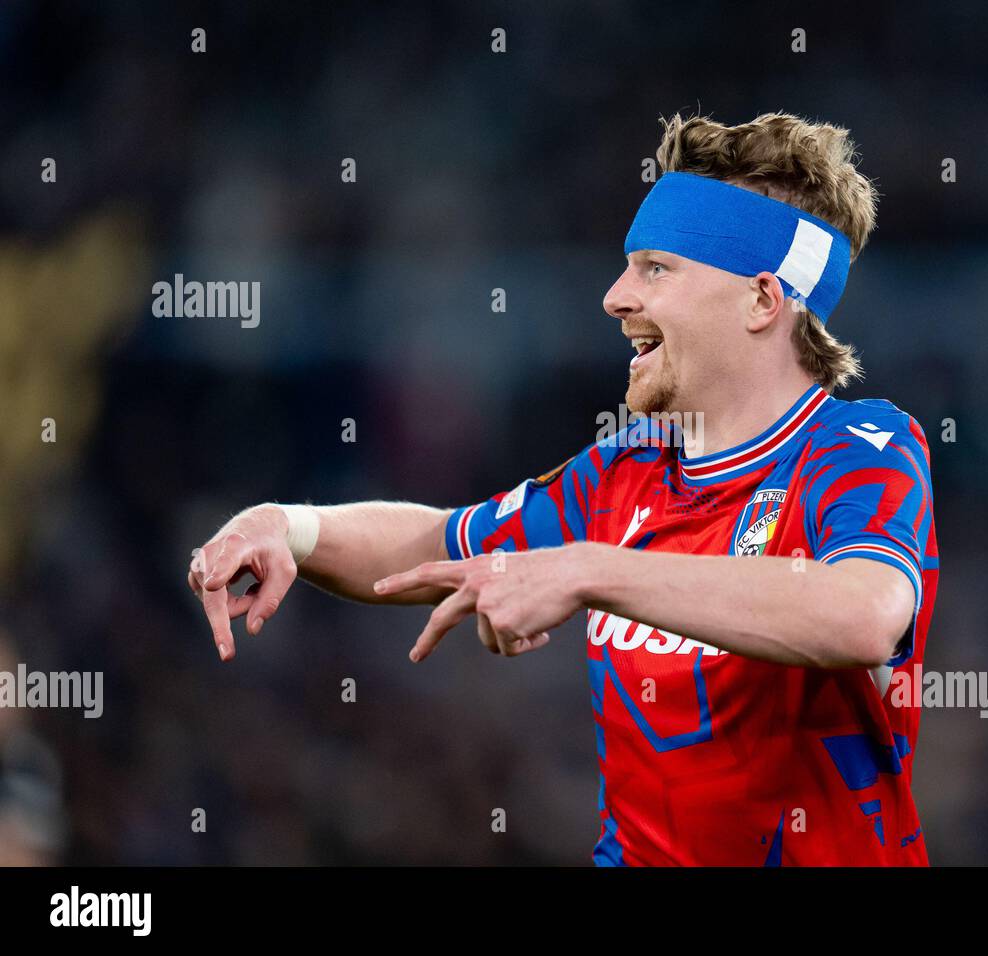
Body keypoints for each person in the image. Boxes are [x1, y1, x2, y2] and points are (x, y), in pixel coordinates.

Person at [189, 111, 939, 866]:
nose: (615, 298)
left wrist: (590, 568)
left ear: (762, 301)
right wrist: (287, 526)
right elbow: (442, 542)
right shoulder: (626, 469)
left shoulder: (858, 449)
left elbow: (863, 613)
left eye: (655, 268)